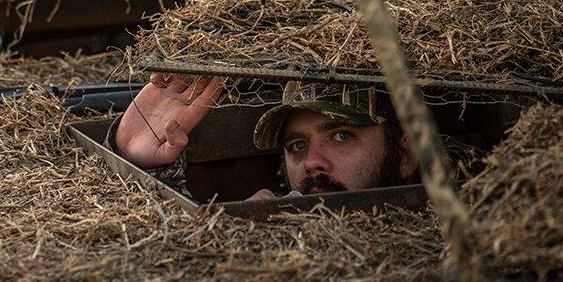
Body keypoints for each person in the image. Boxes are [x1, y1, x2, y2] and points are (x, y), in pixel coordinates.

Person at [113, 75, 419, 200]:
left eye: (342, 135)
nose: (311, 162)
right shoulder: (273, 213)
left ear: (405, 156)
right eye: (297, 146)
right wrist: (140, 164)